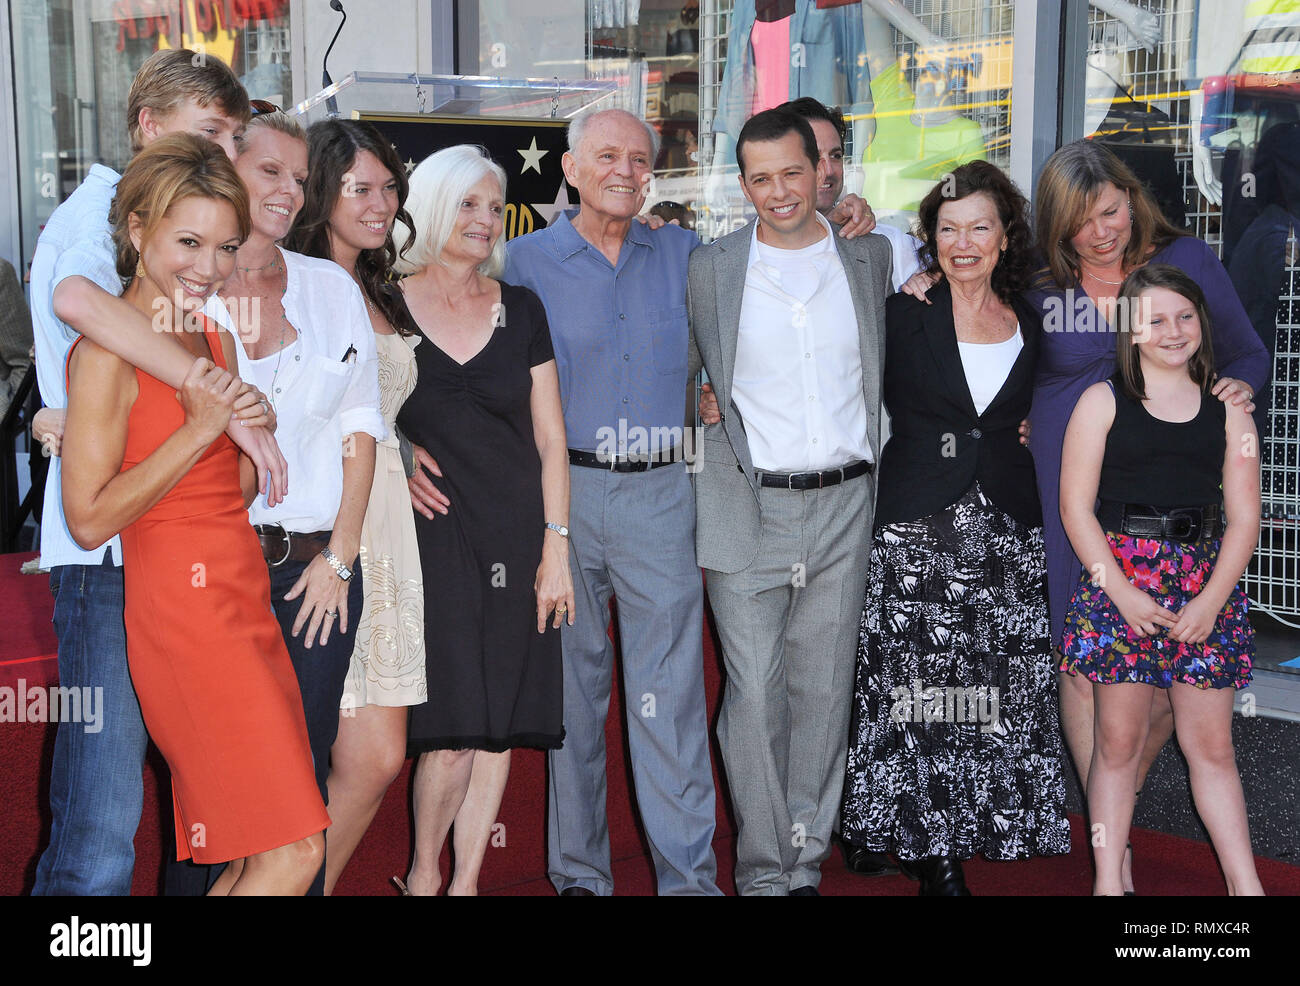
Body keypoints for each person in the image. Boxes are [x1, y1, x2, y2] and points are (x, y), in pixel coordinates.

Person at [902, 139, 1270, 892]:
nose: (1101, 232)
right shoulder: (1040, 279)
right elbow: (984, 317)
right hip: (1064, 478)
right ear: (1057, 229)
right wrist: (928, 277)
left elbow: (1246, 353)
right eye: (1081, 222)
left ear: (1131, 198)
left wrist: (1234, 396)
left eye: (1111, 211)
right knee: (1084, 657)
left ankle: (1118, 803)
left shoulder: (1187, 261)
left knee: (1169, 675)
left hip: (1169, 485)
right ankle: (1116, 854)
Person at [28, 48, 273, 897]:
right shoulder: (91, 222)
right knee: (100, 833)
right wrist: (218, 402)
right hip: (109, 572)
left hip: (189, 581)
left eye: (235, 139)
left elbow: (226, 478)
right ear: (149, 129)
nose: (228, 155)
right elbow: (81, 308)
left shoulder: (205, 318)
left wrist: (237, 421)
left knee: (206, 827)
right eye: (212, 134)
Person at [60, 134, 328, 894]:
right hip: (182, 611)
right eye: (188, 241)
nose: (208, 268)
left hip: (243, 595)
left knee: (254, 852)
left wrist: (251, 432)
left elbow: (230, 491)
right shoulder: (106, 352)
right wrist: (202, 428)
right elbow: (88, 519)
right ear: (138, 229)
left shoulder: (212, 333)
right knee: (294, 853)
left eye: (224, 247)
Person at [501, 108, 722, 897]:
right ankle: (580, 879)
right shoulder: (520, 261)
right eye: (606, 156)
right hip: (559, 502)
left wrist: (853, 225)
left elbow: (777, 265)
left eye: (639, 159)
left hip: (660, 497)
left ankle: (690, 882)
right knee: (574, 702)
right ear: (569, 168)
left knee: (669, 707)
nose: (625, 170)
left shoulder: (688, 256)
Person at [839, 161, 1071, 896]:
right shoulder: (902, 310)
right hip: (916, 531)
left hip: (1006, 529)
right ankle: (929, 847)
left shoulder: (1032, 317)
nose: (963, 242)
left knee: (991, 688)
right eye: (948, 229)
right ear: (929, 237)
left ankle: (974, 822)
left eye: (979, 227)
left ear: (1006, 237)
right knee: (916, 690)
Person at [687, 107, 892, 895]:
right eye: (759, 178)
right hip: (746, 506)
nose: (777, 191)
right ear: (743, 183)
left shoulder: (868, 258)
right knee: (754, 691)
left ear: (822, 171)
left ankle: (800, 864)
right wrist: (697, 411)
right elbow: (682, 370)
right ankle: (766, 871)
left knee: (821, 692)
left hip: (845, 506)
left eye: (791, 173)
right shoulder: (712, 268)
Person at [392, 144, 570, 896]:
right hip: (433, 541)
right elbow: (350, 409)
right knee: (456, 727)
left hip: (518, 531)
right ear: (432, 207)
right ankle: (422, 876)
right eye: (467, 203)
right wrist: (398, 452)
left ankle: (466, 884)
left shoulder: (521, 308)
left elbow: (552, 438)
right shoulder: (385, 302)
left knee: (501, 722)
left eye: (493, 207)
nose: (483, 220)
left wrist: (556, 547)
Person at [1059, 264, 1264, 896]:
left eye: (1185, 316)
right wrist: (1121, 593)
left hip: (1206, 587)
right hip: (1121, 583)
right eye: (1156, 319)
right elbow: (1076, 509)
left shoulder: (1231, 413)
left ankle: (1246, 887)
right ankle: (1108, 884)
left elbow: (1245, 520)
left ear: (1201, 321)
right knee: (1117, 748)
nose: (1173, 330)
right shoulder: (1101, 402)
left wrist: (1211, 601)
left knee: (1214, 750)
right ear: (1132, 330)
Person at [220, 107, 384, 896]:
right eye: (269, 173)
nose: (289, 191)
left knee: (303, 786)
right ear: (227, 170)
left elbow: (362, 430)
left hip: (317, 575)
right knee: (221, 800)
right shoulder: (184, 290)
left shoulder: (329, 288)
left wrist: (343, 558)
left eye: (298, 176)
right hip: (216, 579)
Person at [283, 117, 428, 894]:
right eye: (359, 189)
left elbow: (379, 404)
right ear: (319, 194)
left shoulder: (376, 284)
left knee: (376, 758)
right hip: (324, 526)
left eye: (388, 188)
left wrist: (410, 443)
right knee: (306, 753)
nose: (381, 203)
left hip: (390, 524)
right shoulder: (287, 281)